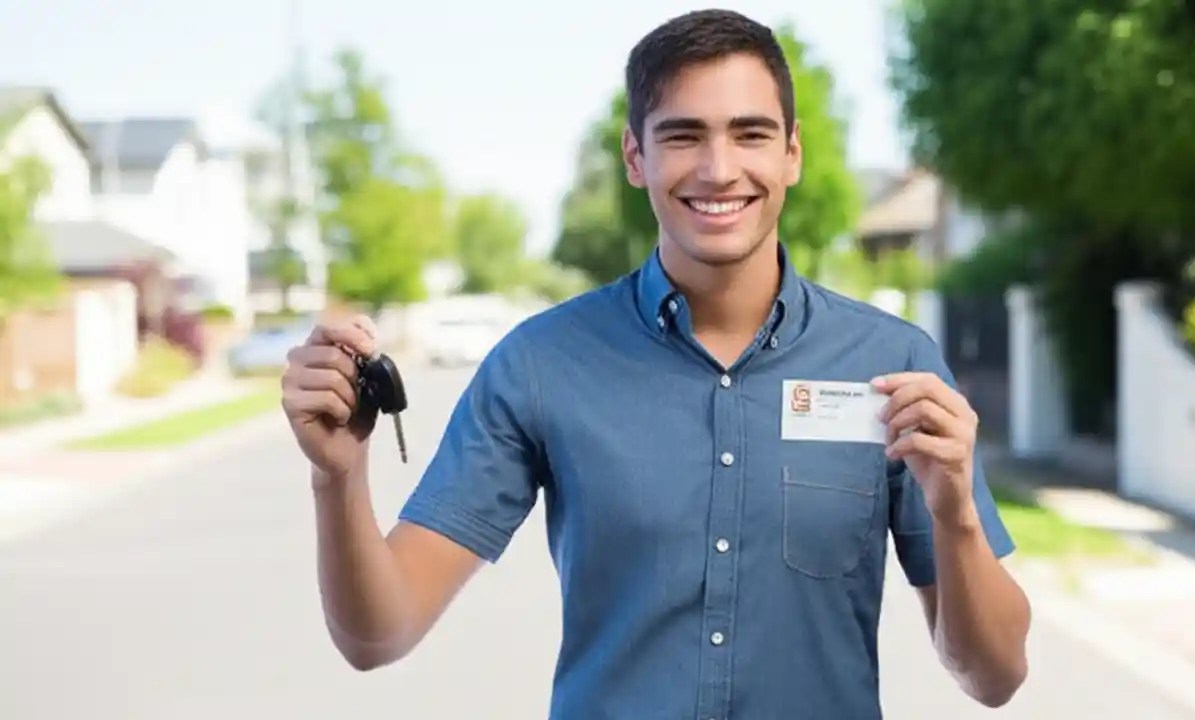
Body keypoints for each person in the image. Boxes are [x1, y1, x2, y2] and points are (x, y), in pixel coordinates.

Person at [281, 8, 1031, 718]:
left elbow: (994, 675)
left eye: (750, 134)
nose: (718, 168)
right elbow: (378, 634)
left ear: (792, 153)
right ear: (635, 157)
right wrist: (336, 477)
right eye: (682, 136)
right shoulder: (539, 365)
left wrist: (956, 515)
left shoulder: (893, 365)